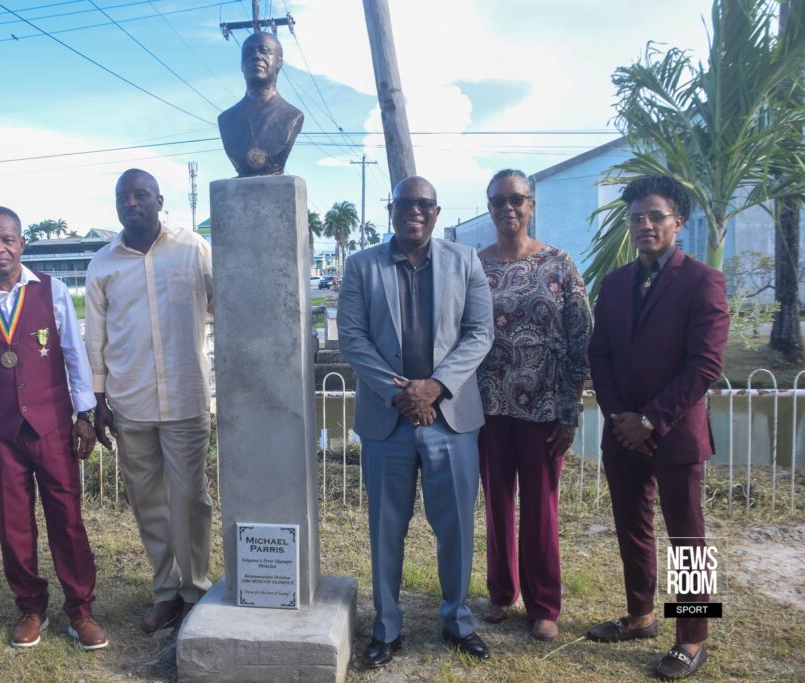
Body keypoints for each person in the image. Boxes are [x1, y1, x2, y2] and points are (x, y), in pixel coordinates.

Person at [337, 176, 495, 668]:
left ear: (437, 210)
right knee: (386, 527)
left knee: (456, 529)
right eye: (406, 204)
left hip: (450, 418)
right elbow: (353, 337)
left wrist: (436, 386)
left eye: (424, 204)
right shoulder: (362, 265)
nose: (415, 211)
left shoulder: (465, 260)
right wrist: (402, 392)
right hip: (390, 421)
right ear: (392, 210)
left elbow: (479, 332)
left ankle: (457, 620)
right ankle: (386, 626)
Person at [587, 175, 728, 681]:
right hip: (623, 432)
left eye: (655, 216)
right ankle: (640, 615)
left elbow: (705, 365)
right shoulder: (615, 283)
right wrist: (620, 416)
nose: (644, 225)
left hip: (675, 434)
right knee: (632, 527)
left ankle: (692, 638)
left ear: (677, 222)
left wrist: (650, 419)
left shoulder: (702, 281)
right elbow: (599, 354)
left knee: (688, 538)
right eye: (636, 218)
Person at [0, 206, 106, 650]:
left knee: (67, 517)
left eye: (7, 240)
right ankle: (31, 608)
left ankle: (80, 609)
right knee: (13, 523)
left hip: (53, 424)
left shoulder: (51, 292)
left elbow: (75, 356)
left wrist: (84, 415)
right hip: (1, 431)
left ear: (21, 244)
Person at [86, 168, 214, 634]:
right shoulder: (103, 263)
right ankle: (166, 593)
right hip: (130, 401)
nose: (132, 203)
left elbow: (225, 304)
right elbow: (95, 336)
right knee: (148, 503)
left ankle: (195, 591)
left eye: (141, 195)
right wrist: (98, 402)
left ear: (159, 200)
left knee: (190, 500)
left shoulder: (192, 248)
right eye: (124, 196)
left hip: (185, 399)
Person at [476, 169, 592, 641]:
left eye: (518, 199)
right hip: (488, 408)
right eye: (500, 200)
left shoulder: (560, 264)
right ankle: (503, 593)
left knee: (541, 509)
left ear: (532, 204)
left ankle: (545, 604)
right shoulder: (473, 265)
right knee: (497, 504)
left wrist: (570, 410)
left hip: (545, 409)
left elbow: (580, 338)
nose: (509, 207)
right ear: (490, 207)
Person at [217, 31, 304, 177]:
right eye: (248, 53)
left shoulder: (292, 116)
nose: (256, 56)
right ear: (241, 64)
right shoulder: (226, 119)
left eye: (264, 51)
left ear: (279, 61)